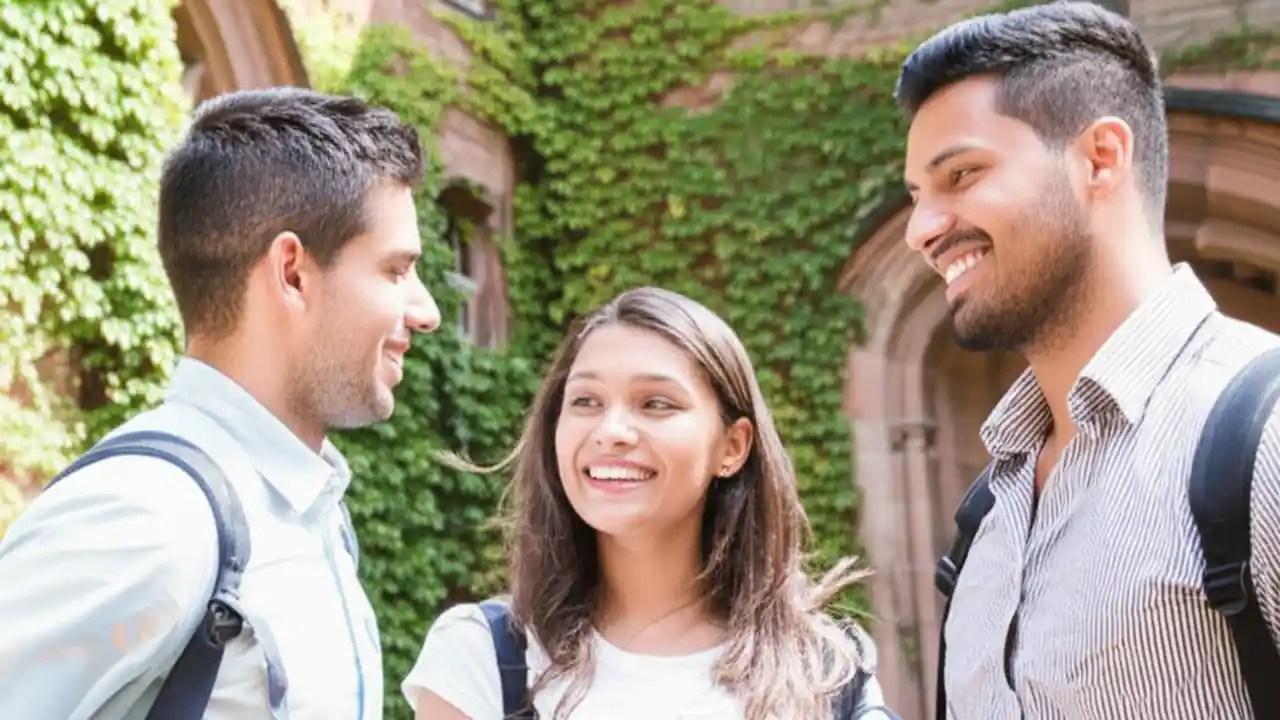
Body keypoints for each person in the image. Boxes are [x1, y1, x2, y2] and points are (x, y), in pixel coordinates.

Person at [0, 87, 440, 718]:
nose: (426, 313)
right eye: (396, 271)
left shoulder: (313, 514)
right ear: (292, 272)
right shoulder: (145, 518)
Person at [895, 2, 1280, 719]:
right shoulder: (988, 513)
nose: (922, 229)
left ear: (1100, 158)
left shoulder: (1265, 436)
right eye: (917, 196)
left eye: (961, 175)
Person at [401, 287, 898, 719]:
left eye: (656, 403)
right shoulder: (484, 657)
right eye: (586, 401)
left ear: (732, 447)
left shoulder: (826, 666)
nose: (611, 432)